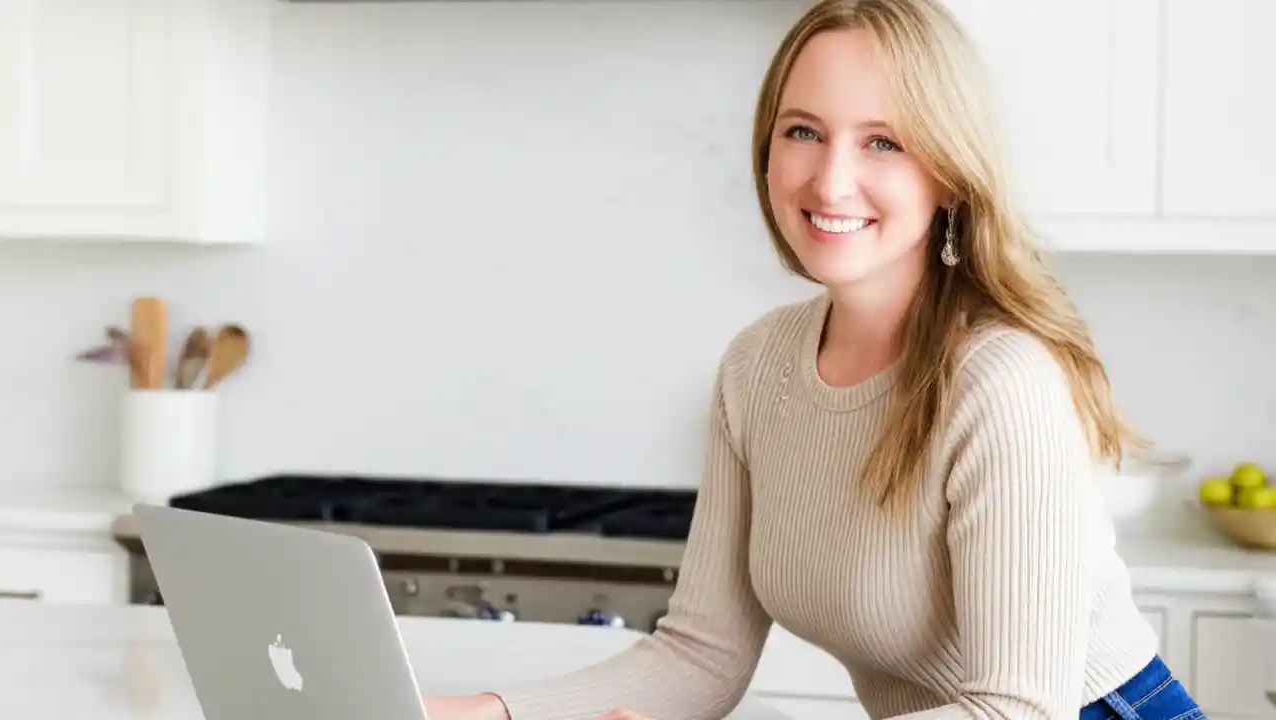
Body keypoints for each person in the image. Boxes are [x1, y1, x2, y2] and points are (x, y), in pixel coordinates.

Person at [423, 0, 1204, 718]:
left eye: (883, 142)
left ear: (950, 175)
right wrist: (482, 714)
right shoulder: (757, 366)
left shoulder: (997, 383)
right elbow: (702, 653)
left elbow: (1015, 710)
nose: (831, 179)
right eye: (803, 131)